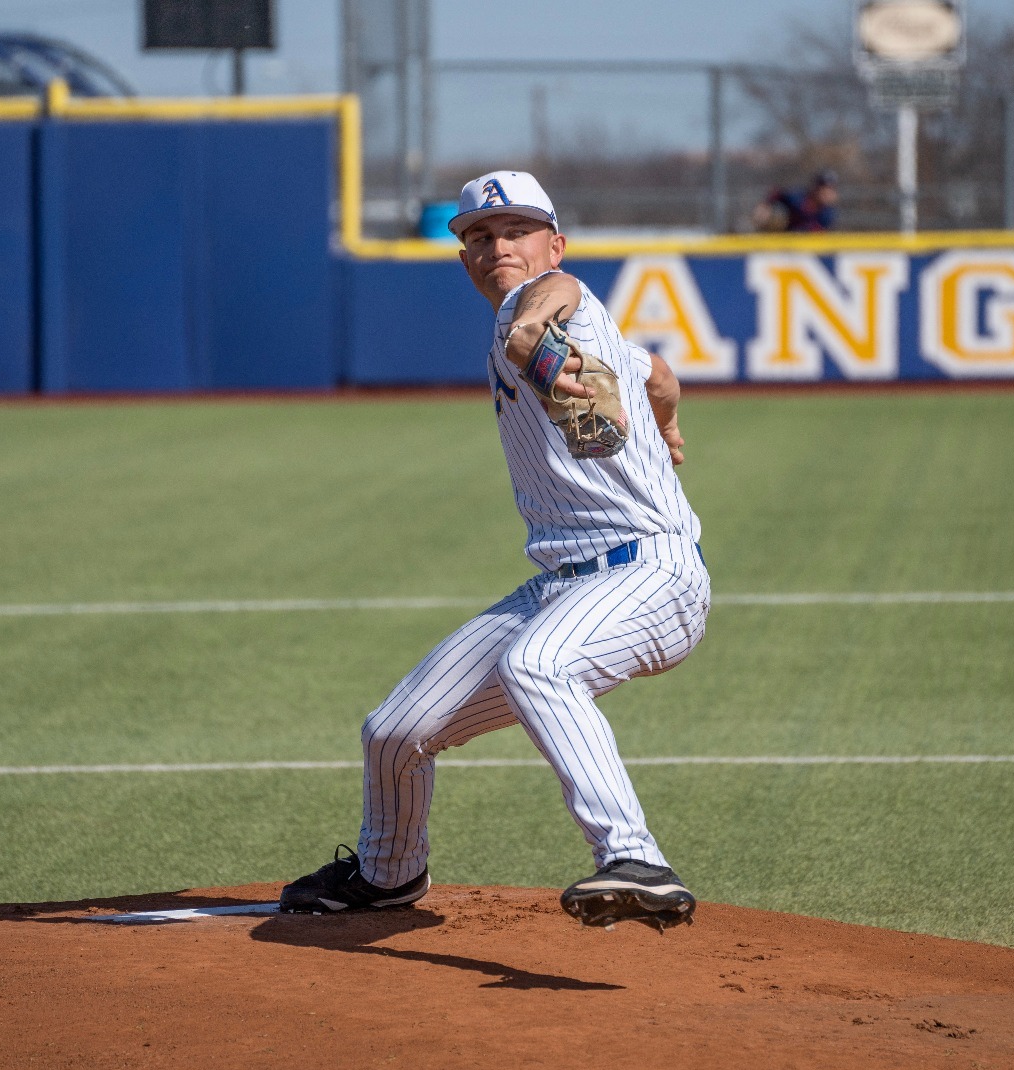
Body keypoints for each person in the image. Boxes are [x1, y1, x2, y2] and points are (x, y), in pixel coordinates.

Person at [279, 170, 712, 931]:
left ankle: (634, 856)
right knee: (395, 732)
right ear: (463, 257)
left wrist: (528, 324)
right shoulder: (581, 338)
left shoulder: (545, 301)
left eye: (515, 230)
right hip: (561, 584)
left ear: (554, 243)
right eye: (479, 235)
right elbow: (663, 375)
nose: (496, 245)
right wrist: (668, 426)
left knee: (537, 665)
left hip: (653, 571)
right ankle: (388, 874)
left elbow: (559, 296)